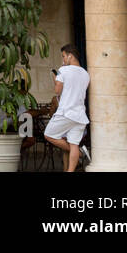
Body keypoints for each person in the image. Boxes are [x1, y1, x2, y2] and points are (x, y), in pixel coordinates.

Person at [44, 44, 91, 172]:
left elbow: (57, 91)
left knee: (48, 135)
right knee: (74, 144)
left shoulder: (62, 70)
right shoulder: (86, 74)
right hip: (80, 115)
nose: (63, 60)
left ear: (70, 56)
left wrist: (55, 80)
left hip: (66, 112)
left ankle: (81, 154)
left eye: (64, 56)